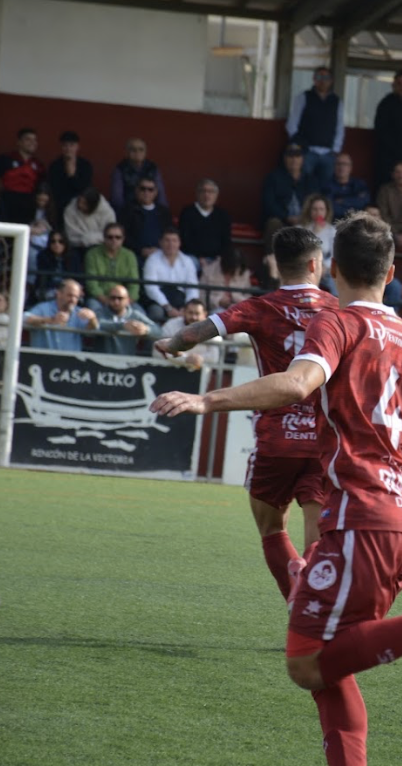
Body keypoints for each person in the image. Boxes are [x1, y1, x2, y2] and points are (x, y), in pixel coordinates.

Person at [150, 212, 402, 765]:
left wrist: (207, 399)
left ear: (335, 269)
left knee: (305, 661)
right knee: (328, 661)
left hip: (361, 520)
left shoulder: (340, 324)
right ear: (392, 272)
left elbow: (297, 384)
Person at [154, 226, 340, 602]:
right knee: (317, 528)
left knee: (272, 529)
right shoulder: (339, 311)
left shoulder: (260, 307)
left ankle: (295, 597)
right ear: (315, 264)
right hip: (324, 436)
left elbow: (203, 330)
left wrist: (172, 343)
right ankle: (311, 597)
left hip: (276, 436)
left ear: (276, 266)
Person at [287, 65, 345, 188]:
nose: (322, 80)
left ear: (331, 80)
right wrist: (300, 146)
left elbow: (340, 127)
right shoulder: (303, 97)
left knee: (325, 188)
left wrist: (336, 149)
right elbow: (292, 125)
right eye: (319, 77)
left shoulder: (337, 101)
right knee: (303, 185)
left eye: (326, 77)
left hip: (328, 153)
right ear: (314, 79)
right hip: (307, 152)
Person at [262, 144, 322, 246]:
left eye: (297, 156)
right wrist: (286, 217)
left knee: (319, 224)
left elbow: (316, 202)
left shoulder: (311, 180)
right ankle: (272, 260)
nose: (294, 159)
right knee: (273, 223)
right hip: (281, 220)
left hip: (305, 220)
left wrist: (303, 218)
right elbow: (269, 204)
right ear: (284, 158)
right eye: (290, 156)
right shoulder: (273, 178)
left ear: (302, 159)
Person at [141, 228, 200, 323]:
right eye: (167, 240)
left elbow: (193, 287)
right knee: (156, 313)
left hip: (181, 301)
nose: (171, 244)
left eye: (174, 240)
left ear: (179, 243)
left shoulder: (187, 261)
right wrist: (167, 307)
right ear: (160, 242)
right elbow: (151, 288)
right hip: (158, 301)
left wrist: (187, 307)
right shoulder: (152, 260)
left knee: (193, 314)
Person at [24, 278, 98, 351]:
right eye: (70, 295)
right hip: (44, 360)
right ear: (59, 294)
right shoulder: (44, 308)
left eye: (76, 297)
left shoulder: (79, 312)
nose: (73, 300)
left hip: (71, 361)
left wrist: (92, 318)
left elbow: (93, 330)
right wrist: (51, 320)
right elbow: (24, 318)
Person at [0, 127, 45, 225]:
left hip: (28, 202)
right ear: (19, 142)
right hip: (7, 200)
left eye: (34, 140)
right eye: (28, 139)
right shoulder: (5, 159)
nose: (32, 142)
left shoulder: (38, 164)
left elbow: (41, 186)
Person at [84, 222, 140, 310]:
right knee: (94, 312)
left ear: (123, 239)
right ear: (104, 238)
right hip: (99, 299)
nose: (114, 240)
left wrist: (126, 301)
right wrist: (106, 300)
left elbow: (134, 284)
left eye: (118, 237)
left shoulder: (129, 256)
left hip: (123, 300)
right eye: (110, 237)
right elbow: (92, 284)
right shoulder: (92, 254)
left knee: (142, 317)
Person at [178, 179, 233, 268]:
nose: (207, 195)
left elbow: (226, 242)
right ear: (197, 194)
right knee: (188, 263)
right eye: (203, 191)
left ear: (216, 195)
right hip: (193, 258)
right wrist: (200, 258)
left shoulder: (223, 215)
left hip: (216, 259)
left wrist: (219, 259)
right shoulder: (187, 213)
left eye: (211, 191)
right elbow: (185, 240)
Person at [94, 284, 160, 357]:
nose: (116, 301)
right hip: (102, 361)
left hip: (127, 361)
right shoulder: (100, 313)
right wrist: (123, 325)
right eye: (113, 298)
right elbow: (98, 324)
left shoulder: (135, 315)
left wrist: (146, 329)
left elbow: (158, 330)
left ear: (127, 300)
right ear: (108, 299)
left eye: (120, 298)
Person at [372, 70, 402, 188]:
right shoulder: (386, 104)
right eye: (399, 84)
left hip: (400, 158)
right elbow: (381, 131)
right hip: (387, 158)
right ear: (393, 85)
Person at [155, 299, 220, 370]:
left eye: (197, 313)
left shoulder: (213, 330)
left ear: (205, 314)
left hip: (200, 374)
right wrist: (185, 359)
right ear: (184, 312)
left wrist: (199, 359)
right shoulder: (171, 325)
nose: (193, 317)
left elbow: (214, 357)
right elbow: (157, 352)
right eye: (190, 313)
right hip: (168, 371)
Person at [109, 138, 167, 215]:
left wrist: (164, 212)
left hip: (150, 209)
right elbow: (117, 198)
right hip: (128, 210)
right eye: (133, 149)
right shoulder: (120, 169)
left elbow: (160, 194)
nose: (137, 152)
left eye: (141, 149)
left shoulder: (153, 168)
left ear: (145, 152)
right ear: (126, 152)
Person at [123, 177, 169, 259]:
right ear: (136, 190)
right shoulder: (127, 210)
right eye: (142, 189)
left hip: (162, 254)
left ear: (156, 192)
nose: (146, 192)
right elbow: (123, 236)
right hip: (135, 255)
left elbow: (169, 233)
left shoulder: (163, 212)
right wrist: (141, 250)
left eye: (150, 189)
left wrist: (161, 249)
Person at [33, 229, 83, 303]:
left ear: (65, 243)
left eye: (61, 241)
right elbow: (43, 280)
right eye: (53, 241)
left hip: (70, 289)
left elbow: (77, 278)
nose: (57, 244)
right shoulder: (43, 256)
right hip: (49, 289)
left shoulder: (73, 256)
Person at [46, 130, 93, 208]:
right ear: (61, 147)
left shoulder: (85, 165)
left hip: (80, 207)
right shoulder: (55, 166)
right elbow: (54, 190)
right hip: (60, 206)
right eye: (65, 145)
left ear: (77, 147)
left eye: (72, 145)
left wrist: (72, 176)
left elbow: (85, 189)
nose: (68, 149)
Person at [200, 248, 253, 314]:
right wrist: (218, 301)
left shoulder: (243, 273)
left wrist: (239, 301)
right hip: (216, 310)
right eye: (231, 269)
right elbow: (201, 296)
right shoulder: (209, 271)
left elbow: (248, 297)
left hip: (238, 309)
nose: (233, 272)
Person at [302, 194, 337, 294]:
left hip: (326, 269)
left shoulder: (332, 231)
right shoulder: (304, 229)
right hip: (306, 268)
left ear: (326, 211)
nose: (318, 213)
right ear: (310, 211)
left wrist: (324, 266)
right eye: (315, 209)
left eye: (321, 209)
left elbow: (334, 254)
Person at [64, 187, 116, 253]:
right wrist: (84, 240)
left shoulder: (107, 212)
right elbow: (71, 236)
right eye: (79, 201)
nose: (80, 205)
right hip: (78, 248)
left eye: (84, 203)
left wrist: (92, 239)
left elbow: (110, 233)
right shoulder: (70, 210)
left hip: (102, 246)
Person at [325, 153, 371, 222]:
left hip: (356, 224)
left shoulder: (359, 184)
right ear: (334, 166)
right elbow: (331, 207)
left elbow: (365, 201)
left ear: (350, 168)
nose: (341, 167)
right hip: (334, 224)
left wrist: (342, 201)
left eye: (345, 164)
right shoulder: (327, 185)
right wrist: (353, 202)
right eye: (338, 164)